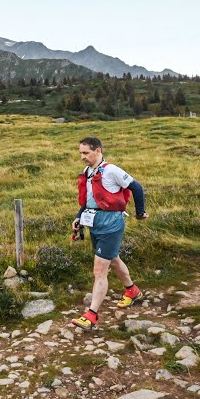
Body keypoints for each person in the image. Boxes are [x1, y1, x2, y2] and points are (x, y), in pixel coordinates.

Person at [69, 136, 148, 331]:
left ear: (98, 150)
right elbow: (88, 200)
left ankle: (91, 315)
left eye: (86, 153)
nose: (82, 157)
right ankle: (132, 291)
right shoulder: (87, 172)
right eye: (80, 153)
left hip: (111, 224)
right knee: (113, 259)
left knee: (99, 270)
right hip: (94, 223)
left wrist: (140, 213)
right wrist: (79, 218)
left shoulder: (112, 171)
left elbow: (136, 187)